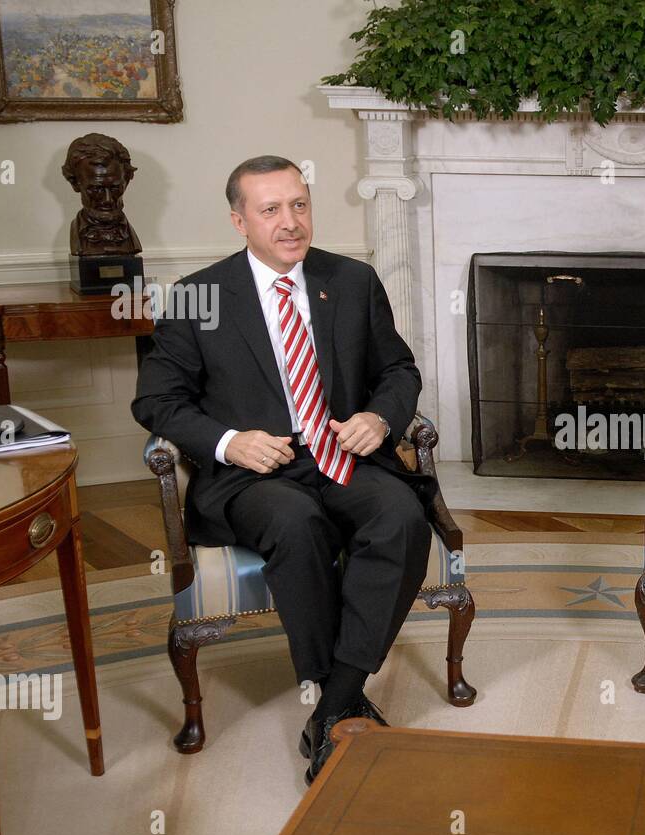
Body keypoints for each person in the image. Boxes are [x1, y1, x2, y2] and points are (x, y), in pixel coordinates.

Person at [133, 155, 433, 784]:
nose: (290, 222)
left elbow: (398, 371)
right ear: (239, 220)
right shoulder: (199, 297)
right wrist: (228, 441)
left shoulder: (352, 280)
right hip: (254, 473)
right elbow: (157, 401)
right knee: (296, 525)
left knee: (402, 517)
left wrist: (380, 419)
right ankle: (340, 701)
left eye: (299, 204)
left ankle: (333, 701)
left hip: (342, 454)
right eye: (270, 209)